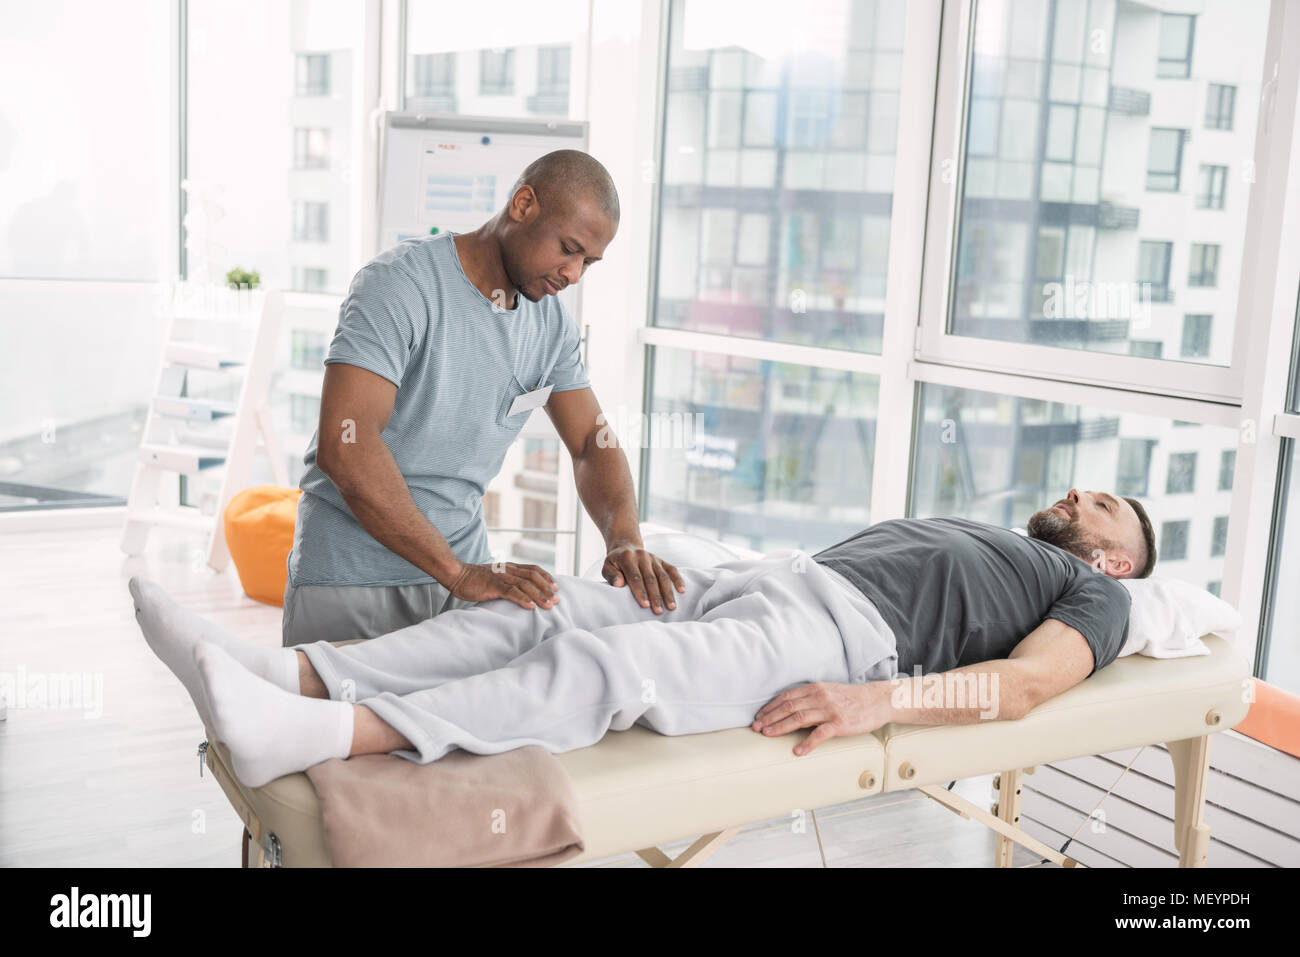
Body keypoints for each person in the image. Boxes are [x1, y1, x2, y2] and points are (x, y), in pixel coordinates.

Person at [131, 488, 1157, 790]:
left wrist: (878, 703)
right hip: (771, 578)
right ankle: (297, 671)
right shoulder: (992, 533)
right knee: (547, 609)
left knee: (608, 666)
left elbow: (1024, 689)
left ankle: (319, 737)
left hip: (840, 642)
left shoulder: (1096, 599)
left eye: (1102, 505)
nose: (1077, 495)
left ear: (1114, 561)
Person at [283, 149, 684, 647]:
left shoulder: (550, 324)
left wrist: (624, 538)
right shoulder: (399, 286)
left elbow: (590, 441)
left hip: (463, 583)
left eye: (589, 262)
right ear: (522, 204)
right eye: (568, 248)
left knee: (451, 725)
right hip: (353, 579)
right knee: (336, 724)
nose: (574, 274)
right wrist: (457, 572)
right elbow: (346, 446)